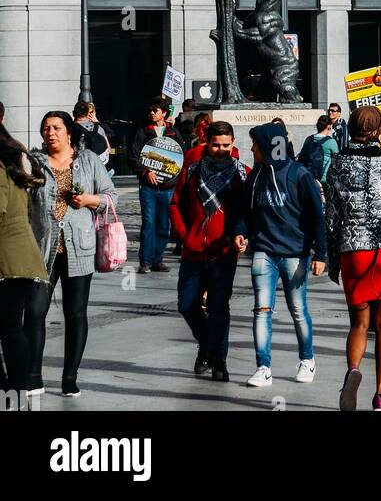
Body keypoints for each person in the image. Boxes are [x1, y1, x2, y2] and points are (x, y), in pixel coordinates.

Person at [325, 104, 381, 412]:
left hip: (352, 250)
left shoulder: (337, 163)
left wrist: (334, 258)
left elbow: (331, 217)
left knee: (359, 323)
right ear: (377, 131)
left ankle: (352, 370)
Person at [233, 121, 327, 388]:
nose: (251, 148)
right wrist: (241, 231)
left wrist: (321, 253)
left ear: (268, 146)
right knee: (261, 310)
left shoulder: (300, 175)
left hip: (295, 254)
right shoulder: (257, 175)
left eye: (255, 144)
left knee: (298, 309)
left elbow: (317, 216)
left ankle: (307, 359)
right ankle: (263, 367)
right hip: (264, 252)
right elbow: (244, 210)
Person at [27, 110, 114, 396]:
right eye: (46, 128)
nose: (50, 132)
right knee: (35, 312)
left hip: (80, 248)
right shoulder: (34, 162)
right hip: (42, 249)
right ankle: (33, 375)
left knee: (75, 313)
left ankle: (69, 377)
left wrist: (90, 200)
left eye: (56, 127)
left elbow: (110, 196)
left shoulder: (88, 161)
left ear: (69, 132)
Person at [169, 121, 247, 382]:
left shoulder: (241, 173)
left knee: (218, 308)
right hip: (193, 250)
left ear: (233, 143)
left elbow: (246, 213)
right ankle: (208, 346)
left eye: (226, 145)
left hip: (222, 252)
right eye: (216, 145)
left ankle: (219, 361)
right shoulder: (192, 169)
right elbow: (176, 204)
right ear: (207, 142)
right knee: (186, 304)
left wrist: (240, 235)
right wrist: (184, 236)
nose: (221, 150)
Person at [0, 123, 49, 396]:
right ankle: (14, 389)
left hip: (8, 262)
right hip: (19, 259)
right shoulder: (10, 167)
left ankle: (14, 390)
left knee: (9, 329)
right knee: (10, 329)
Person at [131, 97, 183, 273]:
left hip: (168, 187)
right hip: (148, 187)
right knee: (148, 223)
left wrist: (173, 179)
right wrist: (146, 172)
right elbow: (133, 157)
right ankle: (145, 261)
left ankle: (157, 259)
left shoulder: (174, 133)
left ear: (164, 114)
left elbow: (181, 158)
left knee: (163, 224)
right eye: (151, 111)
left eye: (156, 111)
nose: (152, 113)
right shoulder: (142, 133)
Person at [297, 115, 340, 185]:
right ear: (329, 127)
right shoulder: (331, 142)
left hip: (308, 176)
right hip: (323, 179)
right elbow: (337, 160)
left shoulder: (309, 139)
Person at [72, 101, 110, 166]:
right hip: (100, 165)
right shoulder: (98, 128)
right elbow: (108, 149)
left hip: (81, 166)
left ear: (73, 113)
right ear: (87, 113)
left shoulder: (71, 129)